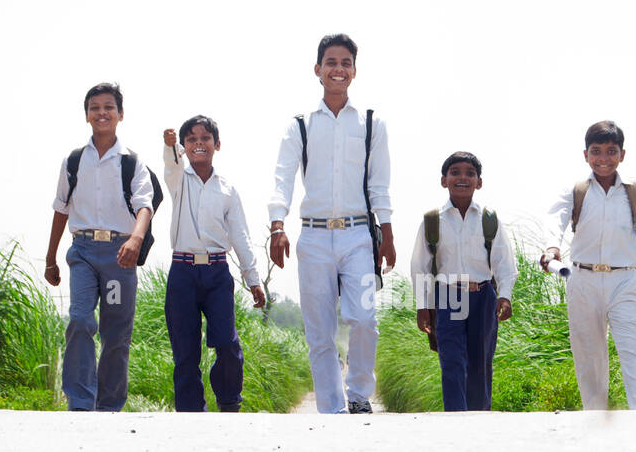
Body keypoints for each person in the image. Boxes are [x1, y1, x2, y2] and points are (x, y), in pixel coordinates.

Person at [268, 33, 395, 414]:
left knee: (365, 319)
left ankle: (358, 396)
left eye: (345, 63)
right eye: (331, 63)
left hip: (359, 235)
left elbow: (379, 182)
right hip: (314, 237)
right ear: (318, 70)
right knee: (319, 332)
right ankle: (331, 409)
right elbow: (282, 177)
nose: (338, 70)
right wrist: (277, 225)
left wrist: (386, 235)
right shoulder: (300, 126)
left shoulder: (371, 123)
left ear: (354, 71)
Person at [541, 120, 636, 410]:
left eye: (611, 151)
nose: (603, 158)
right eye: (596, 151)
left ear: (622, 155)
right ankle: (596, 411)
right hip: (582, 278)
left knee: (631, 339)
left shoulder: (634, 192)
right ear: (585, 154)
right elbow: (556, 220)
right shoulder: (576, 190)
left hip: (624, 279)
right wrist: (552, 249)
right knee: (588, 350)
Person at [44, 82, 154, 411]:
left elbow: (144, 206)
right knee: (80, 319)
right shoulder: (74, 161)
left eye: (109, 107)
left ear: (120, 114)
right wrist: (50, 258)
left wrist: (135, 239)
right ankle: (80, 403)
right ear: (87, 116)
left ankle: (108, 407)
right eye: (95, 107)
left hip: (119, 258)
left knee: (115, 332)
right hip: (84, 255)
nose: (102, 112)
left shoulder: (132, 163)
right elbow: (61, 208)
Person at [161, 116, 266, 412]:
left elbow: (240, 235)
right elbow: (171, 164)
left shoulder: (227, 189)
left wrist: (253, 279)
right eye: (191, 139)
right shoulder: (179, 179)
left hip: (218, 273)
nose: (198, 144)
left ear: (217, 145)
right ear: (184, 147)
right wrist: (169, 146)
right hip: (183, 271)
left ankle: (229, 403)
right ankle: (191, 412)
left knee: (228, 345)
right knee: (185, 352)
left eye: (205, 138)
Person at [410, 151, 518, 411]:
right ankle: (455, 419)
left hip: (483, 295)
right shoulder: (432, 220)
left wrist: (505, 295)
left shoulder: (488, 219)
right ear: (443, 180)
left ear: (479, 182)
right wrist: (423, 306)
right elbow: (420, 266)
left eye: (470, 173)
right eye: (455, 172)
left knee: (481, 362)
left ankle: (479, 418)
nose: (462, 178)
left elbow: (504, 260)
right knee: (452, 360)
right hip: (448, 296)